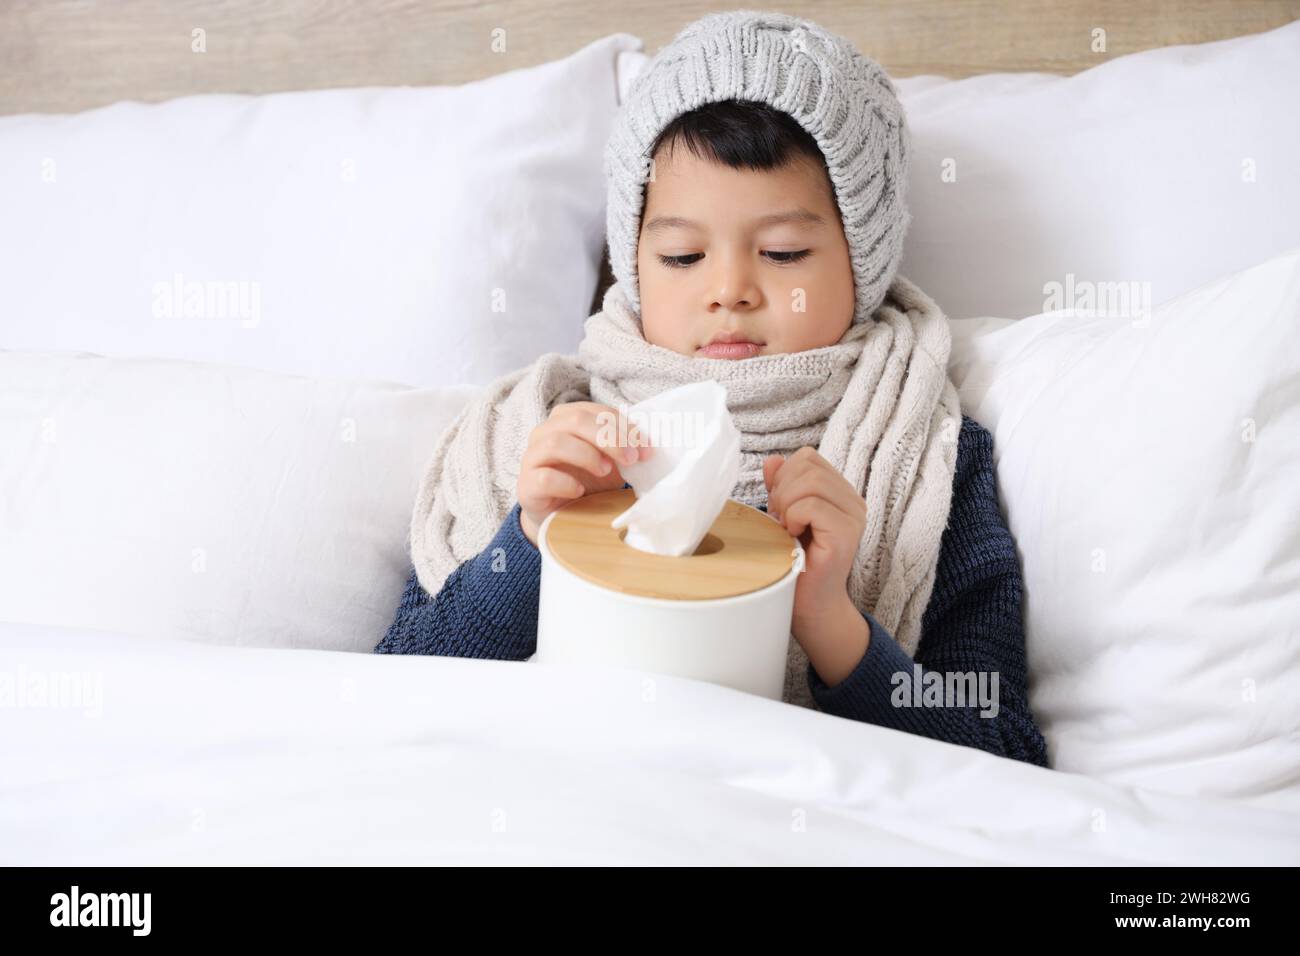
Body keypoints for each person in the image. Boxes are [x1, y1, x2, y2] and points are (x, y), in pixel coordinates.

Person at [376, 10, 1050, 768]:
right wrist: (532, 542)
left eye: (783, 251)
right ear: (633, 263)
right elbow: (394, 697)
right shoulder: (537, 443)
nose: (730, 290)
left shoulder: (928, 460)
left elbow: (1005, 757)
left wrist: (832, 622)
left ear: (864, 261)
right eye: (683, 255)